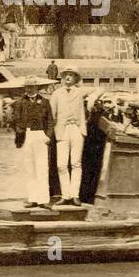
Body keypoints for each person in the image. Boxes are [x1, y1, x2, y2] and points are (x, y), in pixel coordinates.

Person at [10, 79, 54, 207]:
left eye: (32, 87)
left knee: (42, 168)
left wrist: (48, 136)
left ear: (37, 87)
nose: (30, 89)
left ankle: (44, 200)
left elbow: (50, 120)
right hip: (27, 135)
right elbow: (15, 119)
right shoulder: (20, 102)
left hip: (41, 135)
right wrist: (20, 131)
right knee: (30, 168)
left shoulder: (45, 102)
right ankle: (33, 198)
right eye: (28, 87)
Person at [49, 68, 88, 205]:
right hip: (62, 130)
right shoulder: (56, 94)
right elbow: (51, 115)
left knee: (76, 163)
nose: (68, 78)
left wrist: (93, 99)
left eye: (71, 75)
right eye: (66, 75)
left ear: (76, 78)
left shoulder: (80, 92)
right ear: (62, 77)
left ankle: (75, 195)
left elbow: (98, 89)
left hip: (77, 129)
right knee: (61, 164)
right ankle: (65, 195)